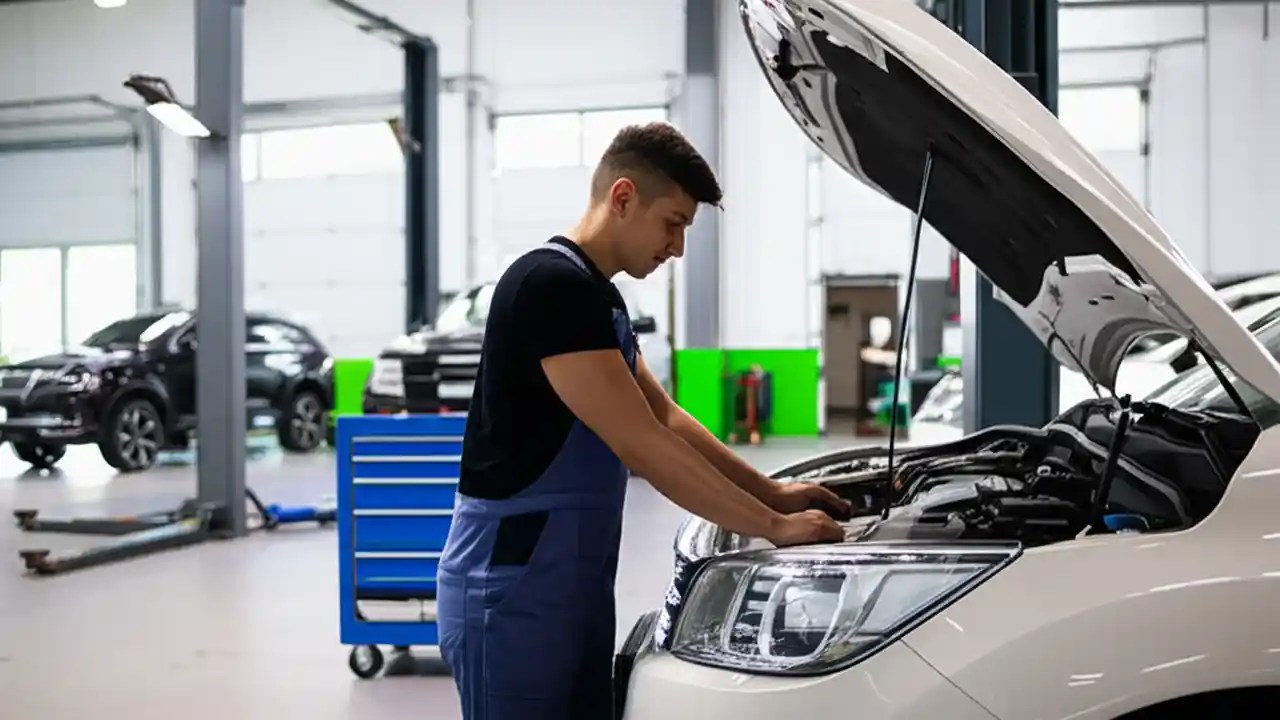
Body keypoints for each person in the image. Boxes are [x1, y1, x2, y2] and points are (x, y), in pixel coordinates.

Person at [436, 122, 850, 719]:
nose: (677, 247)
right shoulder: (549, 287)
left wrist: (775, 494)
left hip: (565, 585)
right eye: (673, 223)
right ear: (623, 197)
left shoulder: (594, 295)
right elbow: (641, 443)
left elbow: (664, 417)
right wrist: (768, 525)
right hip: (510, 588)